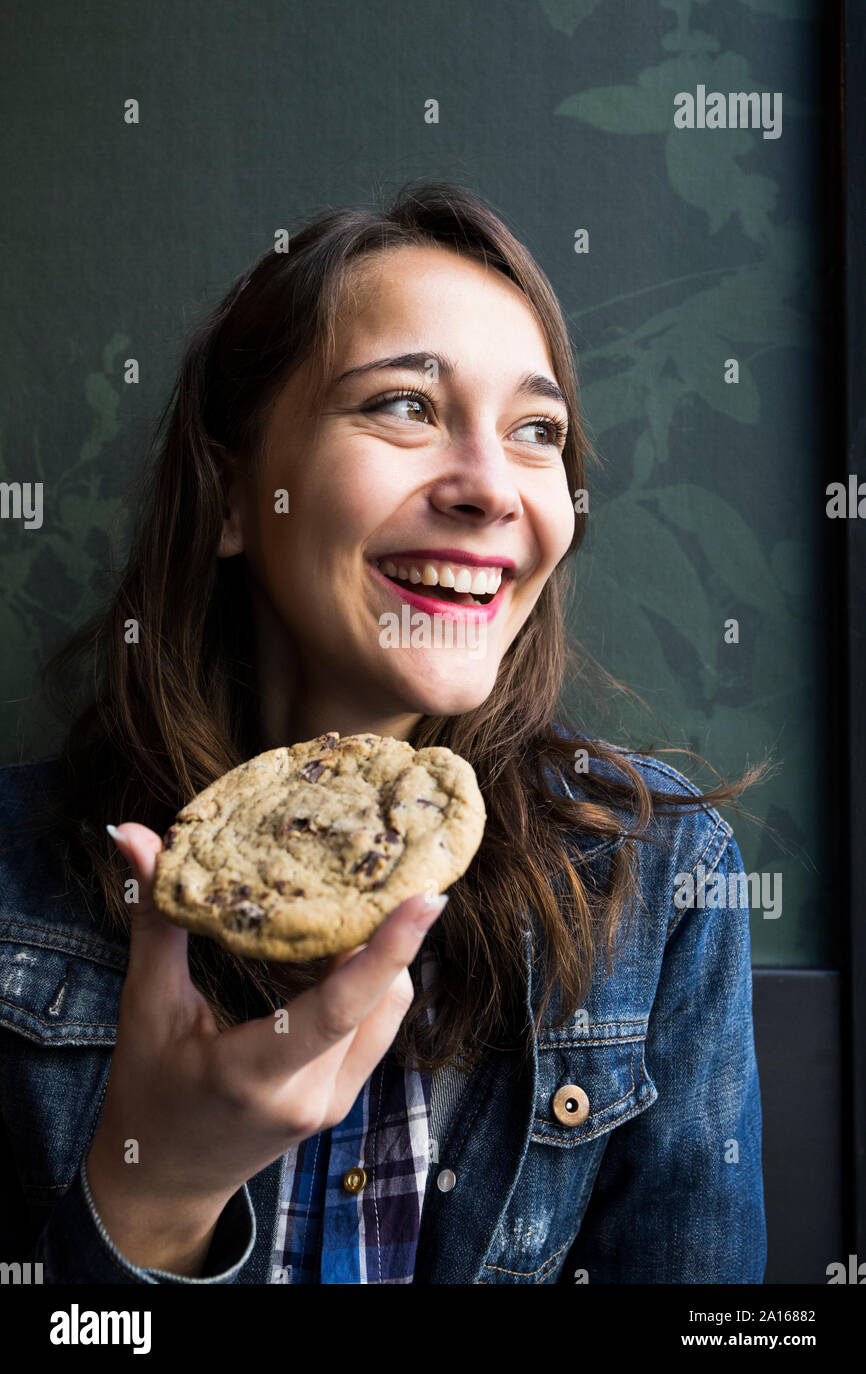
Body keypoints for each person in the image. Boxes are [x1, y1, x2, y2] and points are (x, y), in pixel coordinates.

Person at [0, 181, 766, 1284]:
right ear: (231, 494)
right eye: (405, 405)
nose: (490, 488)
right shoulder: (15, 879)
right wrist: (155, 1194)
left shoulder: (658, 881)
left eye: (536, 431)